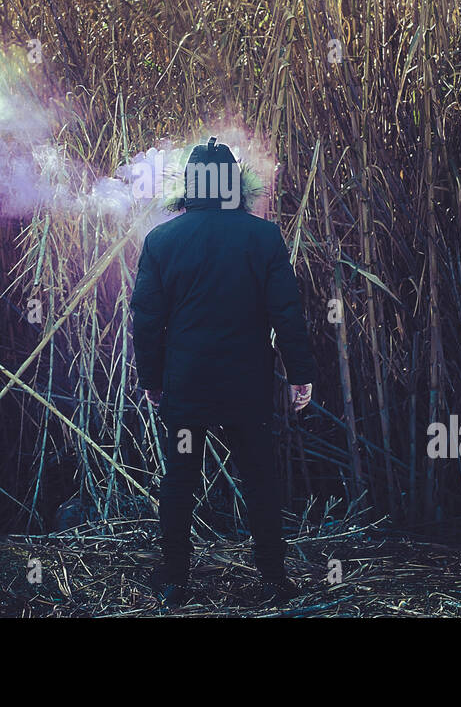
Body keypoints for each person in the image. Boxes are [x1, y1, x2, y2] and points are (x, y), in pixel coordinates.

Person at [130, 137, 317, 606]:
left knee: (180, 479)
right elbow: (286, 313)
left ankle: (175, 581)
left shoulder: (161, 240)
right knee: (259, 478)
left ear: (191, 183)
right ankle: (273, 579)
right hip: (245, 388)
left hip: (187, 387)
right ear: (234, 183)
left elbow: (146, 320)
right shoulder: (263, 237)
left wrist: (152, 379)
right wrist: (300, 373)